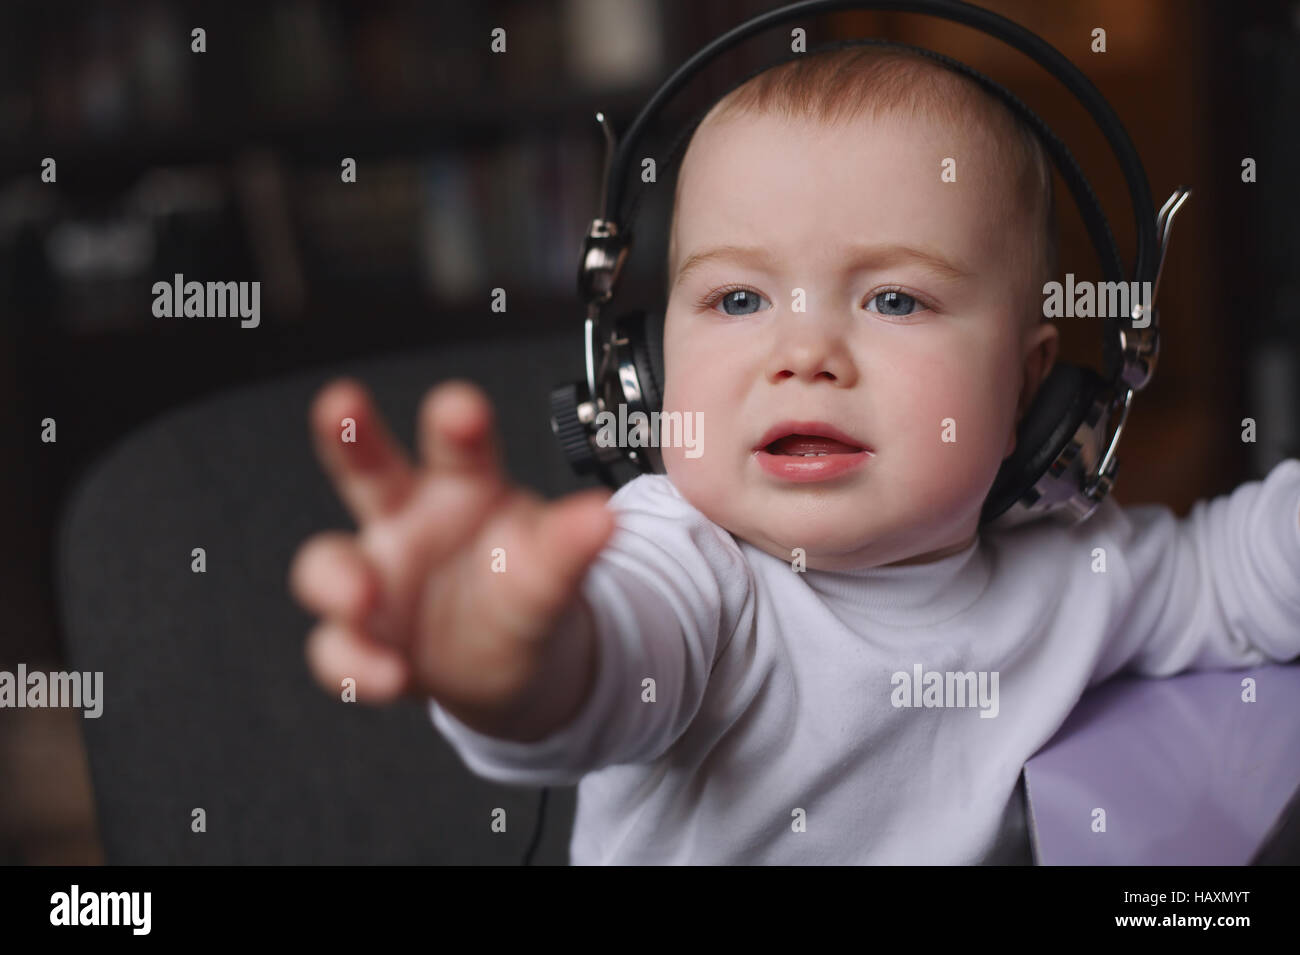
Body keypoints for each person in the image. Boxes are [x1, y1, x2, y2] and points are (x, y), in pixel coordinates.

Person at [288, 45, 1300, 864]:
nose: (803, 353)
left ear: (1027, 393)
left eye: (893, 299)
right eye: (738, 299)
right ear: (642, 370)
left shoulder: (1073, 566)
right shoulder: (687, 565)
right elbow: (608, 670)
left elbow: (1233, 574)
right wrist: (514, 660)